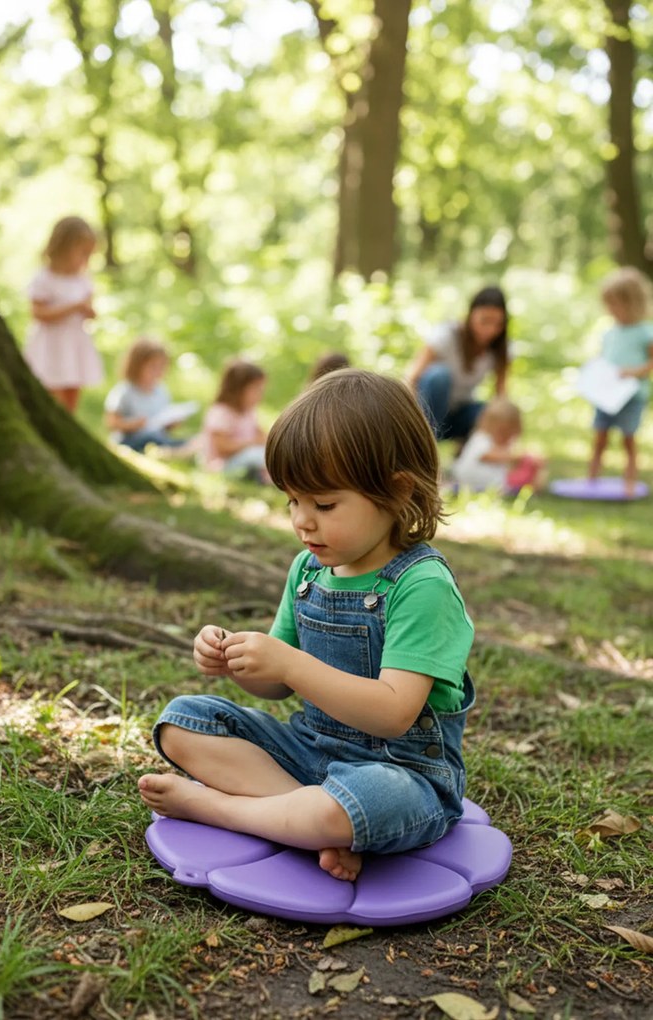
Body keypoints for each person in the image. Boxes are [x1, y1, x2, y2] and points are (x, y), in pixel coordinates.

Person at [139, 369, 475, 883]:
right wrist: (235, 660)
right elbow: (274, 684)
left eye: (324, 504)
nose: (302, 521)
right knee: (183, 722)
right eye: (292, 500)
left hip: (403, 775)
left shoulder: (422, 587)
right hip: (309, 754)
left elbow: (393, 713)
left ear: (396, 491)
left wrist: (291, 663)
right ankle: (303, 819)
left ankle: (226, 810)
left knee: (357, 804)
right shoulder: (308, 571)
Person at [408, 286, 509, 441]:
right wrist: (404, 416)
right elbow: (411, 378)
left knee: (489, 411)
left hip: (457, 415)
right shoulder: (446, 335)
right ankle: (423, 444)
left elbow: (500, 396)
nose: (490, 330)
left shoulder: (500, 349)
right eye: (485, 321)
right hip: (426, 411)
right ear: (471, 315)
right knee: (439, 376)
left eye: (497, 324)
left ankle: (465, 461)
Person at [25, 216, 103, 413]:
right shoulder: (44, 278)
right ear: (63, 248)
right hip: (52, 345)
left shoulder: (82, 280)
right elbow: (38, 313)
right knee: (53, 392)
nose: (85, 261)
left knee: (72, 390)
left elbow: (89, 310)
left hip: (74, 343)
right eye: (82, 253)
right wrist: (73, 307)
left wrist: (87, 311)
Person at [587, 267, 653, 496]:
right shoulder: (610, 332)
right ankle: (591, 479)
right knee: (600, 437)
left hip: (631, 397)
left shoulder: (645, 332)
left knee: (628, 439)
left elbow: (650, 364)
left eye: (615, 304)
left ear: (632, 302)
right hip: (607, 395)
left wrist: (634, 372)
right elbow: (604, 360)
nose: (611, 310)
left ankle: (630, 481)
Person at [104, 337, 190, 453]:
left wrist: (171, 424)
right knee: (151, 438)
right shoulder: (124, 391)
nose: (158, 371)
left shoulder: (161, 390)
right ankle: (176, 450)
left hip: (157, 437)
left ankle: (182, 449)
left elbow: (161, 423)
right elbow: (111, 423)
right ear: (137, 365)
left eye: (162, 367)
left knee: (172, 439)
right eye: (153, 367)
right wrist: (134, 424)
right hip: (130, 440)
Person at [450, 398, 546, 494]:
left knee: (528, 469)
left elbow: (510, 464)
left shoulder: (507, 443)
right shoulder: (482, 438)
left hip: (494, 481)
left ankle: (533, 482)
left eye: (509, 434)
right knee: (513, 479)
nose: (505, 437)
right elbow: (487, 455)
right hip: (473, 478)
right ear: (488, 426)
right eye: (501, 432)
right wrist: (518, 456)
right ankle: (528, 484)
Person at [194, 359, 268, 482]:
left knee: (264, 454)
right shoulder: (221, 412)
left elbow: (260, 434)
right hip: (222, 464)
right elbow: (222, 447)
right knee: (255, 455)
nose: (260, 394)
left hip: (241, 460)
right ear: (238, 389)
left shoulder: (248, 413)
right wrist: (251, 443)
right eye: (255, 389)